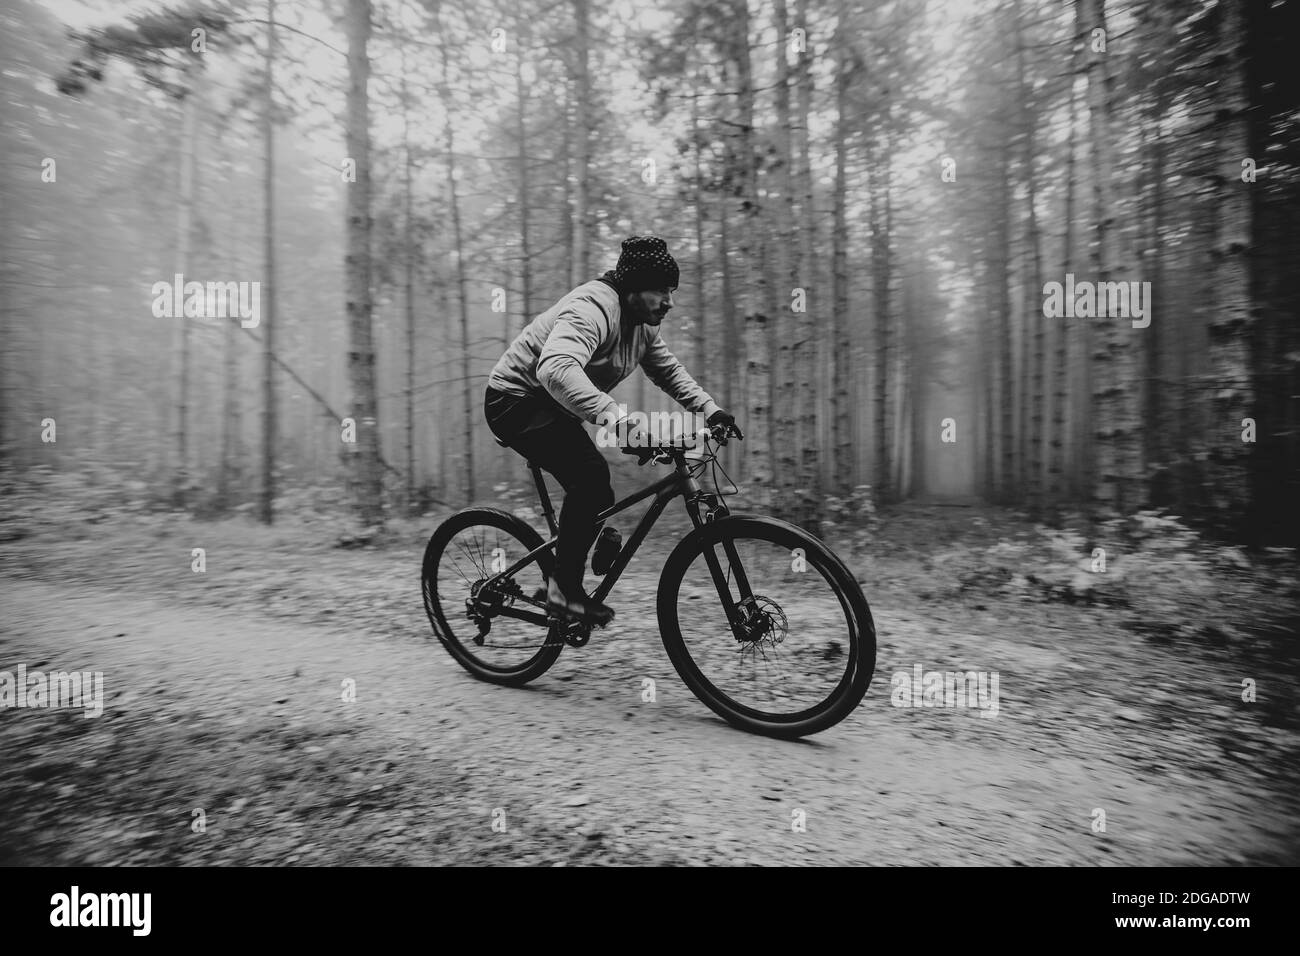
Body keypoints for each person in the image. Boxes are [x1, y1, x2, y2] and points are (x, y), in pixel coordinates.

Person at [484, 235, 737, 625]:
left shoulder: (642, 325)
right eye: (661, 291)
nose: (669, 301)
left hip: (555, 405)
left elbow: (668, 371)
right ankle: (563, 592)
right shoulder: (593, 307)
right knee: (590, 478)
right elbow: (555, 369)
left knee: (595, 488)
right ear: (634, 287)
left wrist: (710, 409)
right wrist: (619, 421)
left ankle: (573, 563)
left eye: (672, 291)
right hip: (516, 401)